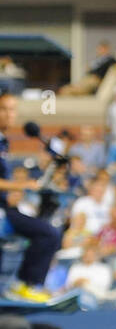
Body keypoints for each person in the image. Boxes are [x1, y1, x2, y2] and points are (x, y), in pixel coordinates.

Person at [0, 93, 61, 302]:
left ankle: (21, 286)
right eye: (4, 109)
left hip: (6, 208)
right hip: (3, 214)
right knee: (48, 234)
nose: (9, 115)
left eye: (12, 109)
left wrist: (12, 194)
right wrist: (22, 184)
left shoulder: (3, 142)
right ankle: (24, 284)